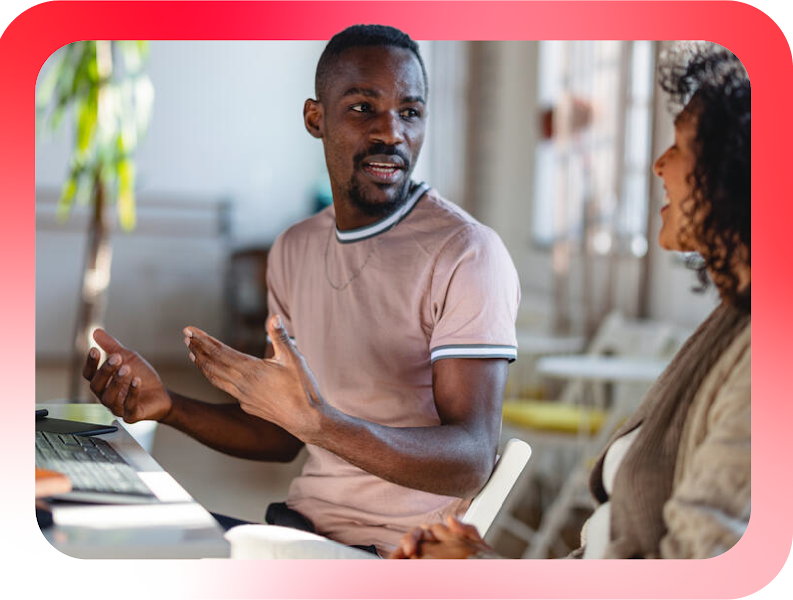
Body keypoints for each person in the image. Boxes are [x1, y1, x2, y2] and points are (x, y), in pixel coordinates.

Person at [82, 24, 520, 558]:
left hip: (388, 555)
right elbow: (282, 436)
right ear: (316, 118)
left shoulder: (467, 252)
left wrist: (320, 422)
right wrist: (167, 405)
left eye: (410, 111)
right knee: (96, 528)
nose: (392, 133)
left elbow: (472, 459)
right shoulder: (294, 248)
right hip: (298, 533)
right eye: (363, 108)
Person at [391, 41, 750, 560]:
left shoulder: (763, 359)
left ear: (733, 174)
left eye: (679, 146)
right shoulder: (733, 320)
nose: (658, 164)